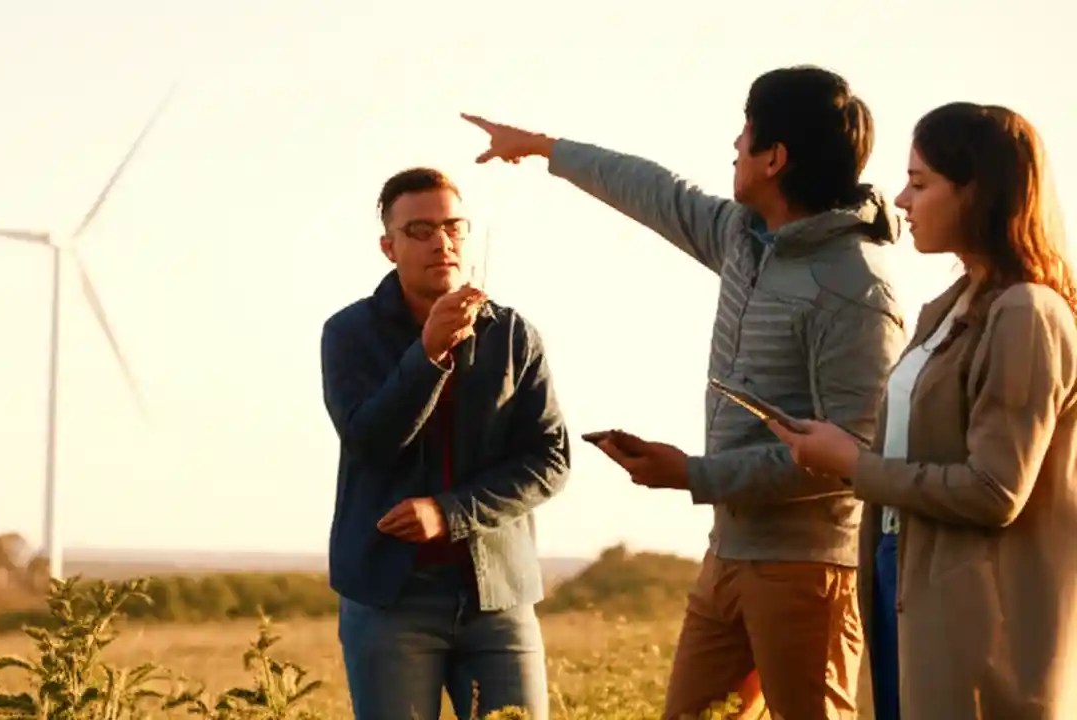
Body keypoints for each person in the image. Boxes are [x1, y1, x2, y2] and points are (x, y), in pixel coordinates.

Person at [463, 65, 907, 719]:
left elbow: (853, 460)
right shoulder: (743, 237)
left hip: (807, 573)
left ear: (774, 158)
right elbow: (656, 191)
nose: (734, 145)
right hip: (727, 555)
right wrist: (543, 147)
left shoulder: (855, 288)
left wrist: (694, 473)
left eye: (746, 133)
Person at [770, 102, 1077, 719]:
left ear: (977, 192)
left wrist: (856, 464)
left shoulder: (1025, 313)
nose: (902, 201)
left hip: (975, 616)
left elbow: (994, 490)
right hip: (902, 578)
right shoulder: (949, 309)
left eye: (920, 182)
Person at [319, 167, 571, 720]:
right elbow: (370, 442)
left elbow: (551, 460)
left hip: (499, 594)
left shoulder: (512, 333)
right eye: (420, 230)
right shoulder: (348, 333)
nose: (442, 241)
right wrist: (428, 357)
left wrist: (450, 512)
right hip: (390, 597)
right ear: (388, 246)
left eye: (454, 227)